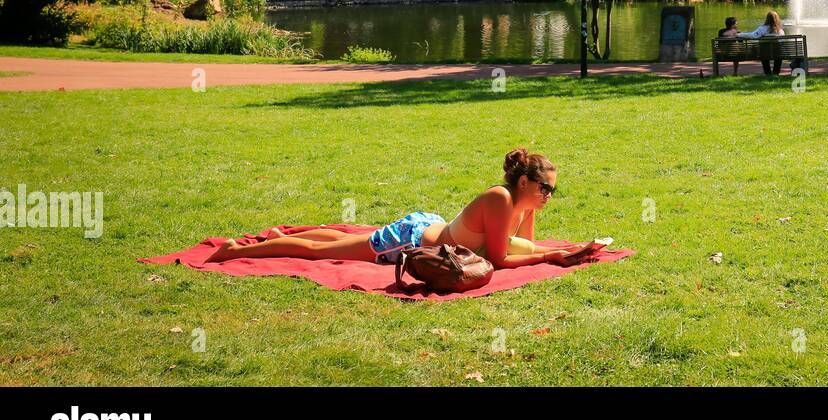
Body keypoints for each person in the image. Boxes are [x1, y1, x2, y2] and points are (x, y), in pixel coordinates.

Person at [205, 149, 602, 269]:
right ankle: (235, 251)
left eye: (553, 189)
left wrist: (536, 216)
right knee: (322, 252)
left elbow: (521, 247)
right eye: (545, 188)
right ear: (523, 182)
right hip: (411, 242)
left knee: (348, 238)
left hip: (429, 229)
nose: (550, 194)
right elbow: (498, 259)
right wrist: (557, 256)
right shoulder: (499, 199)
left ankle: (282, 234)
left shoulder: (520, 202)